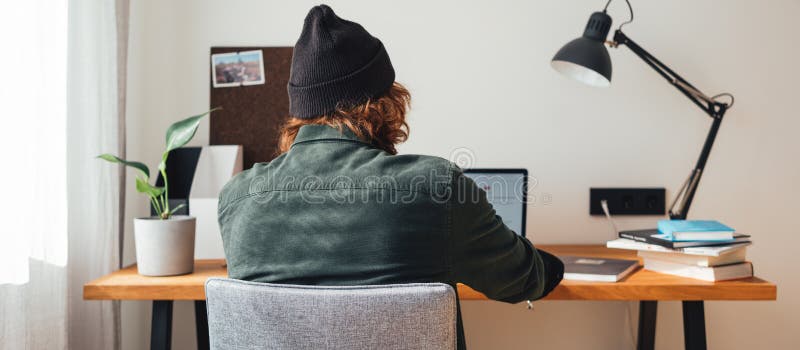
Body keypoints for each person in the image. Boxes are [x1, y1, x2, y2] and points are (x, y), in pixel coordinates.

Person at [217, 5, 564, 349]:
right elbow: (520, 279)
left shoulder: (237, 199)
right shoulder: (435, 186)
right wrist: (552, 267)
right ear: (385, 103)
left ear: (300, 111)